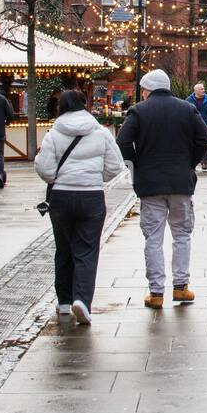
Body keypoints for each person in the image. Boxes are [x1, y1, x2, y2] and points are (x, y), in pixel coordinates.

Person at [118, 69, 207, 309]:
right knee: (182, 235)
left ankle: (156, 292)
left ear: (147, 91)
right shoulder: (186, 108)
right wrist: (189, 162)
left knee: (153, 238)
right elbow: (204, 138)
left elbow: (123, 141)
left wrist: (136, 165)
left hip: (150, 185)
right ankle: (181, 287)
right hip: (181, 182)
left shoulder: (138, 110)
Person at [35, 90, 125, 325]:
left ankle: (64, 301)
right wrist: (96, 177)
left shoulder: (53, 134)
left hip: (62, 197)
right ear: (84, 105)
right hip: (91, 196)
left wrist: (58, 176)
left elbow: (45, 169)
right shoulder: (101, 132)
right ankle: (82, 300)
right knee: (86, 250)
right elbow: (115, 166)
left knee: (63, 249)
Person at [185, 82, 207, 170]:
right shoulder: (188, 100)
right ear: (196, 90)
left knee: (205, 142)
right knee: (192, 144)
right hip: (192, 125)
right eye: (201, 89)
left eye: (203, 88)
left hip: (205, 124)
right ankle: (193, 163)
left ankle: (204, 162)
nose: (203, 90)